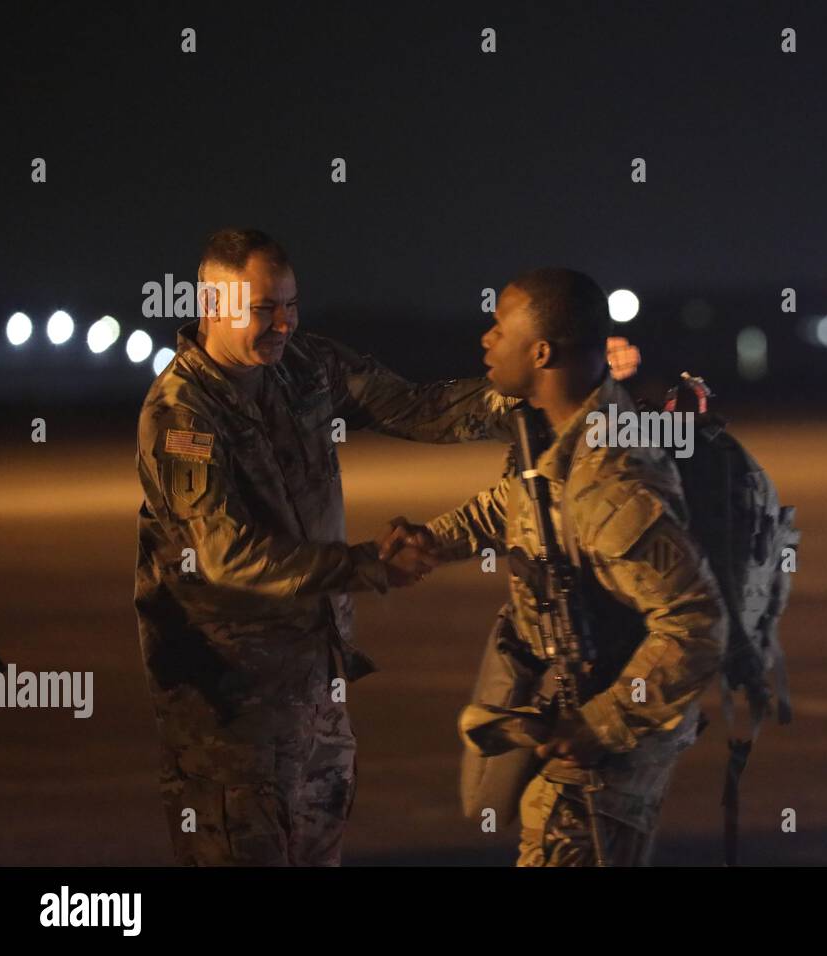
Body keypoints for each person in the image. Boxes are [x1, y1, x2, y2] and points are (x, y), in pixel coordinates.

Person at [135, 227, 514, 866]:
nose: (282, 323)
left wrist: (538, 391)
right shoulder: (182, 416)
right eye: (262, 309)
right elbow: (228, 558)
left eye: (291, 304)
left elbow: (418, 407)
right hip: (232, 714)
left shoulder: (304, 367)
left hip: (316, 684)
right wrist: (369, 565)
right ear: (211, 309)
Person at [385, 268, 727, 866]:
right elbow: (522, 504)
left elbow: (697, 624)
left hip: (612, 739)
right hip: (577, 706)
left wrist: (602, 724)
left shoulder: (611, 479)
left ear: (541, 351)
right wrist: (436, 539)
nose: (486, 340)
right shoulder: (551, 434)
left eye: (499, 328)